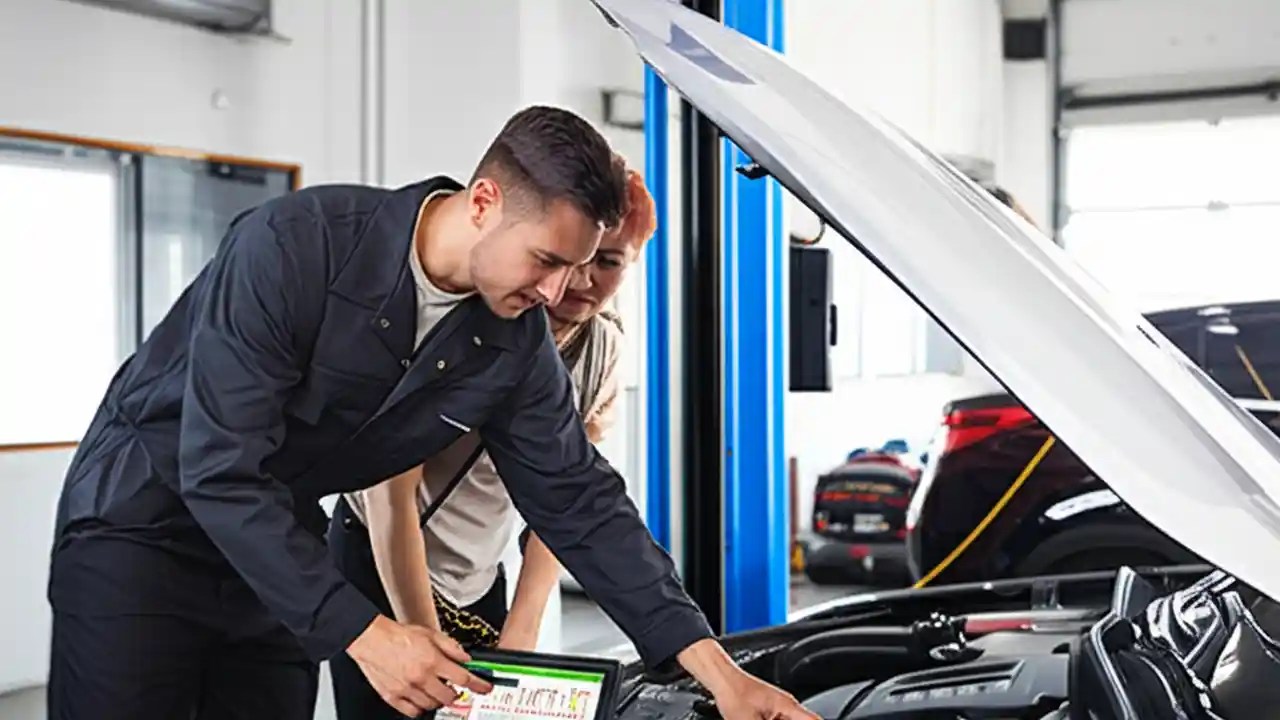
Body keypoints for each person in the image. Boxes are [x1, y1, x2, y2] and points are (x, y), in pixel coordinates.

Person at [47, 104, 816, 720]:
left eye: (578, 268)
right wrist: (369, 634)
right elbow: (217, 468)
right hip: (140, 530)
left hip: (275, 553)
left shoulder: (511, 342)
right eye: (547, 261)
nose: (557, 294)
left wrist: (718, 672)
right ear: (484, 202)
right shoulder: (293, 246)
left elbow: (580, 499)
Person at [326, 167, 655, 719]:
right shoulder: (464, 320)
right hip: (379, 555)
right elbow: (390, 499)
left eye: (610, 262)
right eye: (568, 259)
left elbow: (563, 504)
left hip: (476, 575)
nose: (580, 281)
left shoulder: (599, 353)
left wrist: (522, 634)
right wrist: (423, 643)